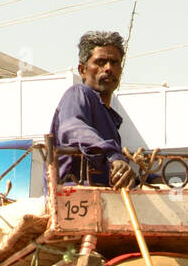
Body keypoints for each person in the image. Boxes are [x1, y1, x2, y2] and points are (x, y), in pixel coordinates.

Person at [48, 31, 136, 188]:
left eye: (114, 63)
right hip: (73, 199)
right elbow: (73, 127)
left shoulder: (110, 118)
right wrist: (112, 155)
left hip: (106, 198)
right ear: (82, 70)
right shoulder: (78, 94)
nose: (109, 68)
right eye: (101, 62)